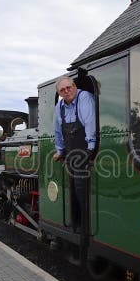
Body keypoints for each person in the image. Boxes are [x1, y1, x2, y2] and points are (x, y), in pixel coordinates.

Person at [53, 76, 96, 232]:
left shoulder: (84, 97)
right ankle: (76, 225)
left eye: (68, 88)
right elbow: (57, 130)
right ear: (59, 93)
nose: (66, 91)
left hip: (85, 151)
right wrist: (59, 150)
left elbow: (90, 122)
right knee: (72, 190)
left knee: (81, 189)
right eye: (62, 90)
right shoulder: (59, 107)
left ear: (74, 86)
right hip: (71, 153)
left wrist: (90, 148)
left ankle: (86, 227)